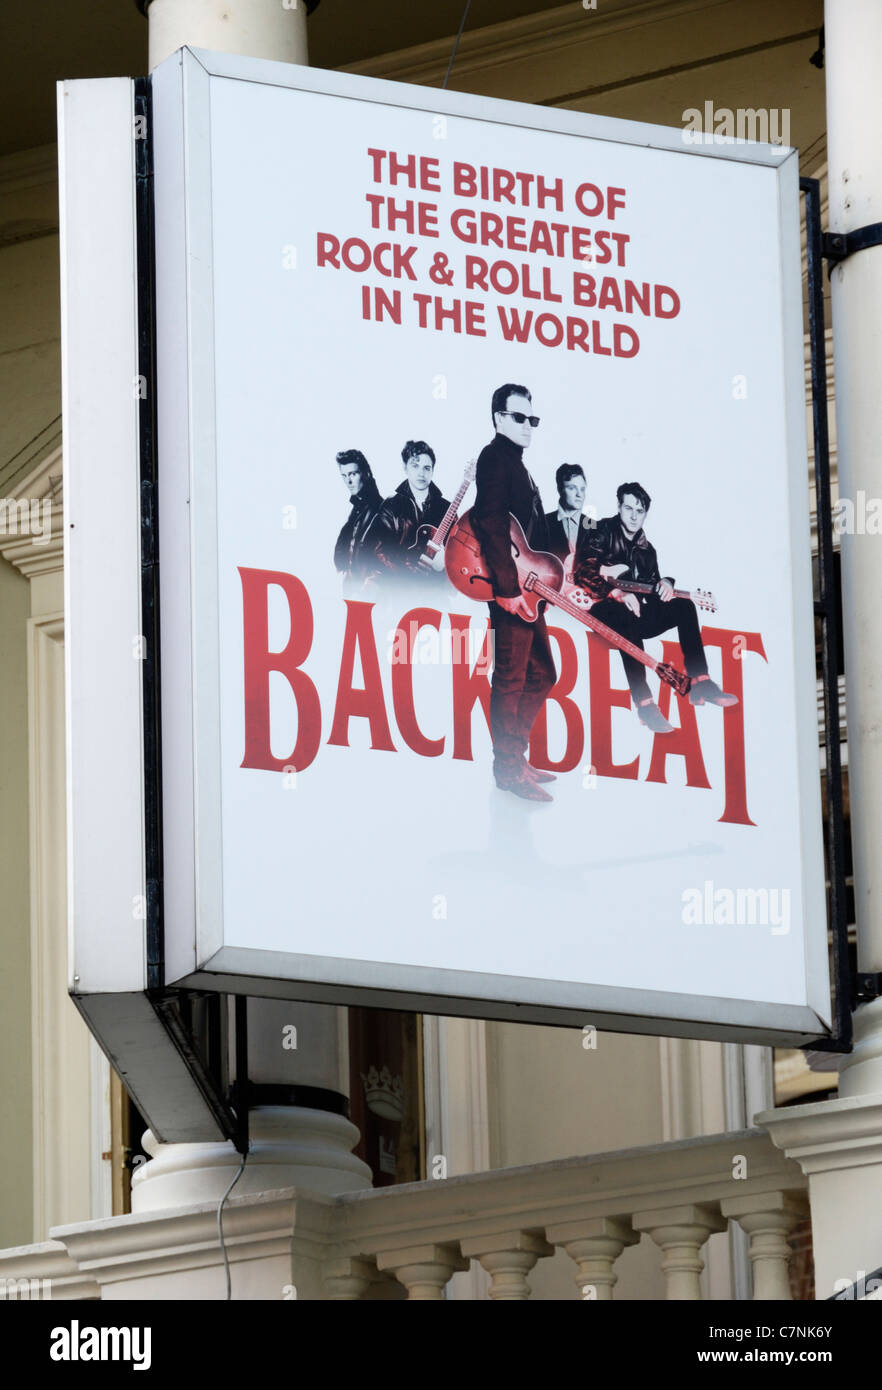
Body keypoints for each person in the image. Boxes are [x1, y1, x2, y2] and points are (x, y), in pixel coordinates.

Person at [575, 482, 737, 732]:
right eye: (628, 508)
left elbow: (652, 591)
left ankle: (701, 681)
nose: (633, 515)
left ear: (645, 514)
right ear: (619, 507)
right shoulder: (601, 531)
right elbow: (582, 572)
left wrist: (666, 584)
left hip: (635, 613)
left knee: (684, 607)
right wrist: (615, 592)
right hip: (600, 610)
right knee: (625, 614)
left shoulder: (647, 551)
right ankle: (645, 703)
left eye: (639, 511)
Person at [472, 383, 557, 802]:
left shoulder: (516, 464)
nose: (527, 426)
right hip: (510, 590)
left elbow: (522, 532)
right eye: (519, 418)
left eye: (532, 419)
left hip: (528, 589)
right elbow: (488, 521)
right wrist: (505, 589)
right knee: (510, 676)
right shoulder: (494, 459)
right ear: (498, 419)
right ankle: (506, 768)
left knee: (543, 674)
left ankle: (515, 756)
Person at [366, 440, 451, 584]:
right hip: (401, 589)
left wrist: (443, 569)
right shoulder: (391, 506)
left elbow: (456, 551)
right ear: (405, 468)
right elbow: (378, 550)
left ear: (432, 471)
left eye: (427, 468)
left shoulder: (446, 508)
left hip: (437, 591)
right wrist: (408, 573)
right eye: (415, 466)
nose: (421, 473)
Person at [333, 449, 382, 594]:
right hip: (353, 588)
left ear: (365, 474)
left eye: (353, 474)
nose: (348, 481)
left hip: (369, 592)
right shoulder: (357, 509)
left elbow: (387, 556)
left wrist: (370, 586)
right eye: (344, 476)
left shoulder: (380, 509)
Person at [544, 463, 596, 582]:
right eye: (572, 488)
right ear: (560, 489)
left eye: (582, 489)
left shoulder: (593, 525)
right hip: (552, 594)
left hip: (586, 596)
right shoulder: (542, 523)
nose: (579, 494)